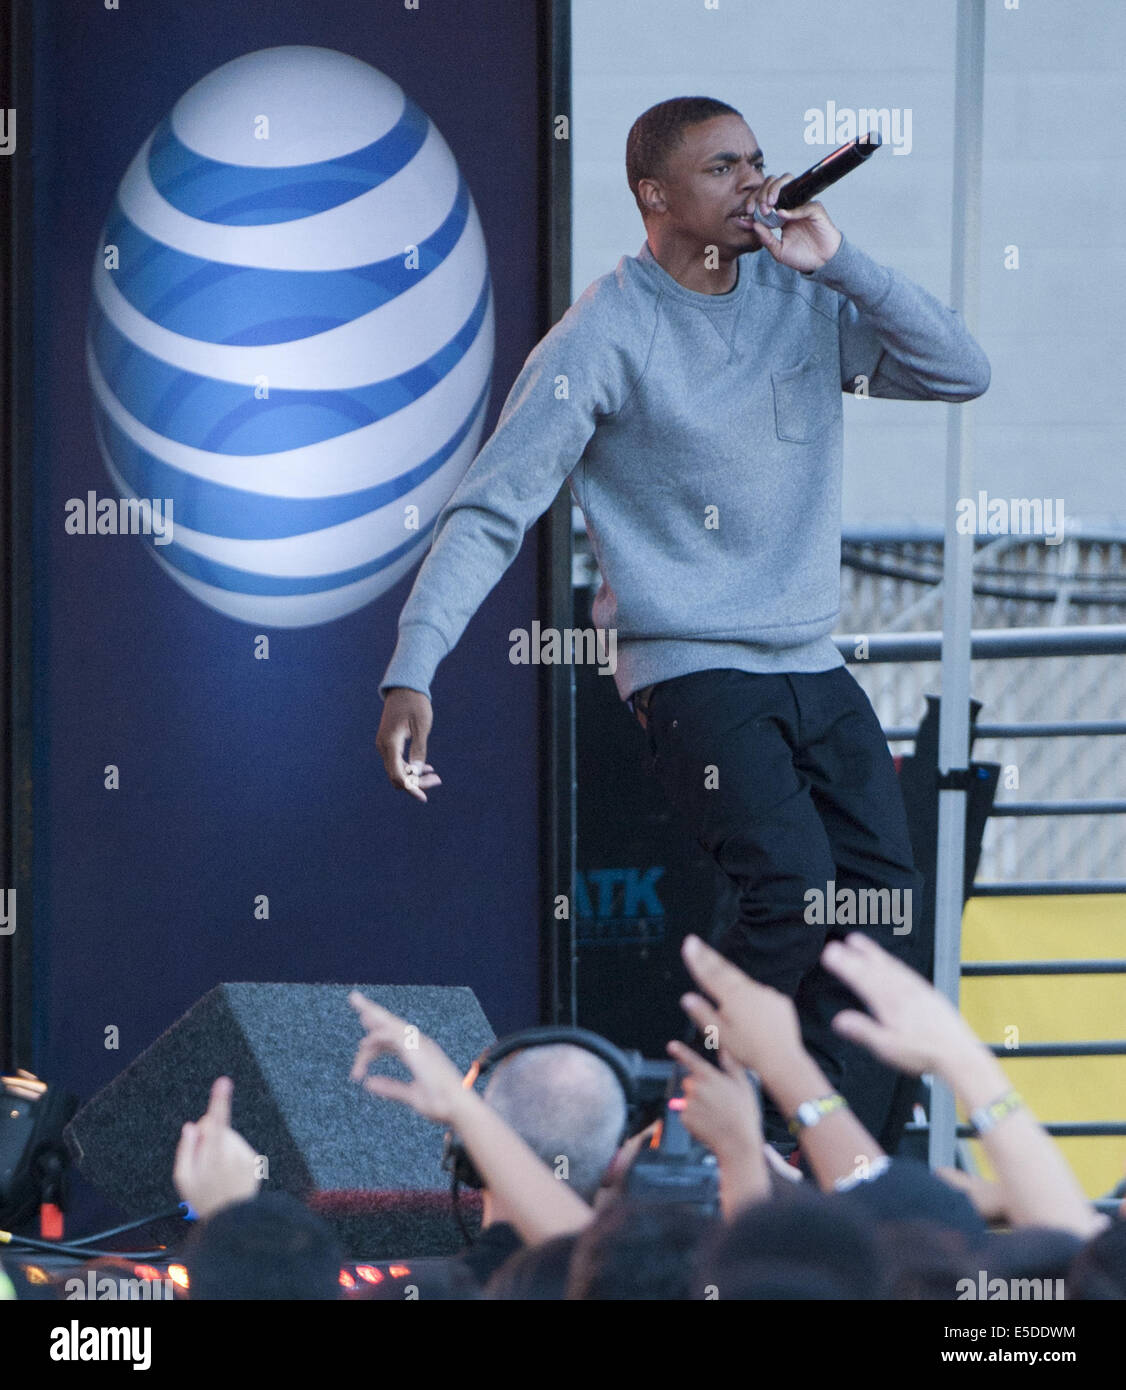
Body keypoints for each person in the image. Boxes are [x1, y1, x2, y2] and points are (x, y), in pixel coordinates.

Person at [375, 95, 991, 1151]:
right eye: (720, 168)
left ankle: (823, 1145)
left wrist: (840, 261)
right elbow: (491, 508)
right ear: (654, 195)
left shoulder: (801, 297)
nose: (752, 182)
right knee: (793, 889)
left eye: (757, 161)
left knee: (884, 897)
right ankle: (704, 1129)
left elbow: (959, 370)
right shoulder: (604, 333)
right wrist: (412, 666)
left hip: (809, 654)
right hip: (692, 667)